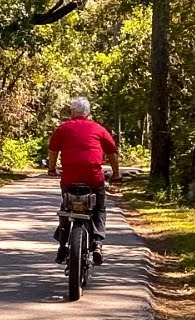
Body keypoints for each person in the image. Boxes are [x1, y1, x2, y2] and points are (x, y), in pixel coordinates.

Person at [47, 96, 120, 265]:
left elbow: (53, 151)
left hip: (69, 178)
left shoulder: (63, 128)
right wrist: (116, 174)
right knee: (99, 209)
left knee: (66, 208)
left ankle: (62, 245)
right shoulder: (98, 129)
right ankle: (97, 244)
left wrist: (51, 169)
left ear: (73, 112)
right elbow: (112, 153)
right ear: (88, 113)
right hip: (93, 179)